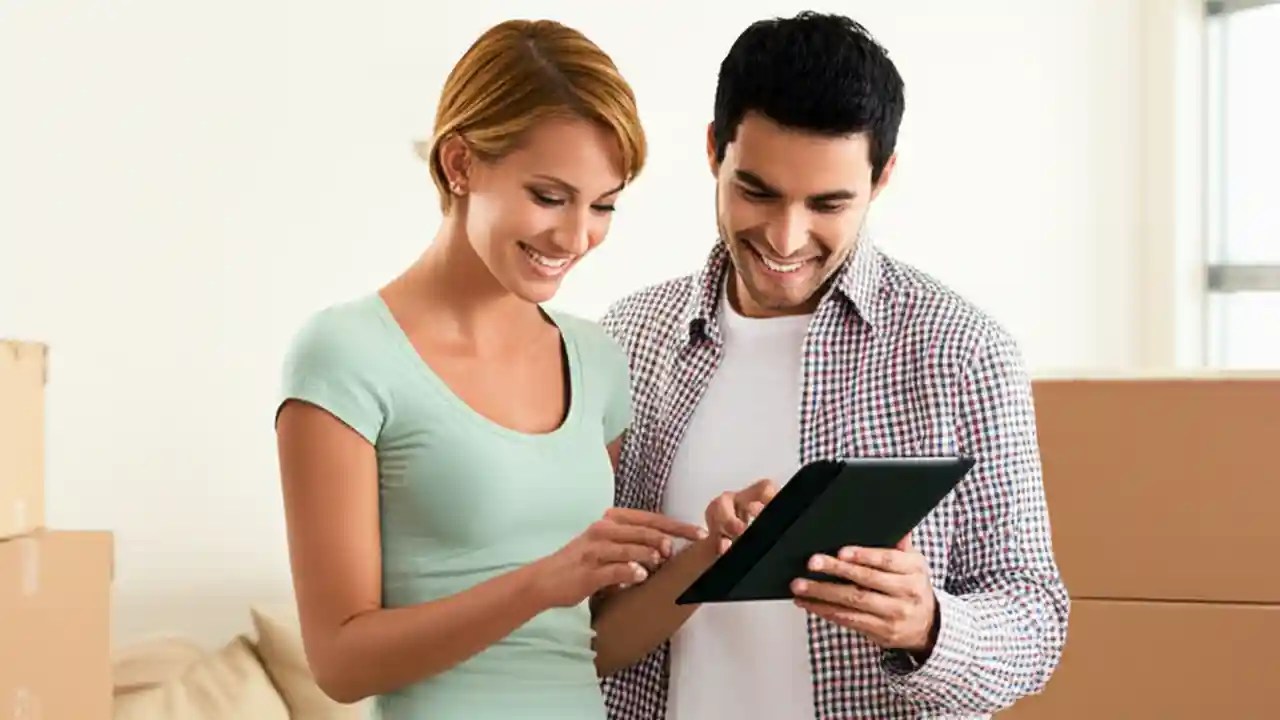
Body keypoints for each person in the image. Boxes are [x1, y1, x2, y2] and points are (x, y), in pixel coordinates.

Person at [591, 11, 1071, 720]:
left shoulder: (963, 351)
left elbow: (1035, 620)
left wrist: (928, 625)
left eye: (828, 203)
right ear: (713, 152)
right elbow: (583, 612)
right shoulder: (629, 339)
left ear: (882, 179)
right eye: (757, 191)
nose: (786, 237)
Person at [272, 19, 707, 720]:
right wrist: (539, 582)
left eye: (603, 206)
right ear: (460, 164)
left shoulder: (594, 360)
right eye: (548, 195)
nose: (575, 237)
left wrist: (712, 557)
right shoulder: (347, 354)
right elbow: (341, 663)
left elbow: (586, 644)